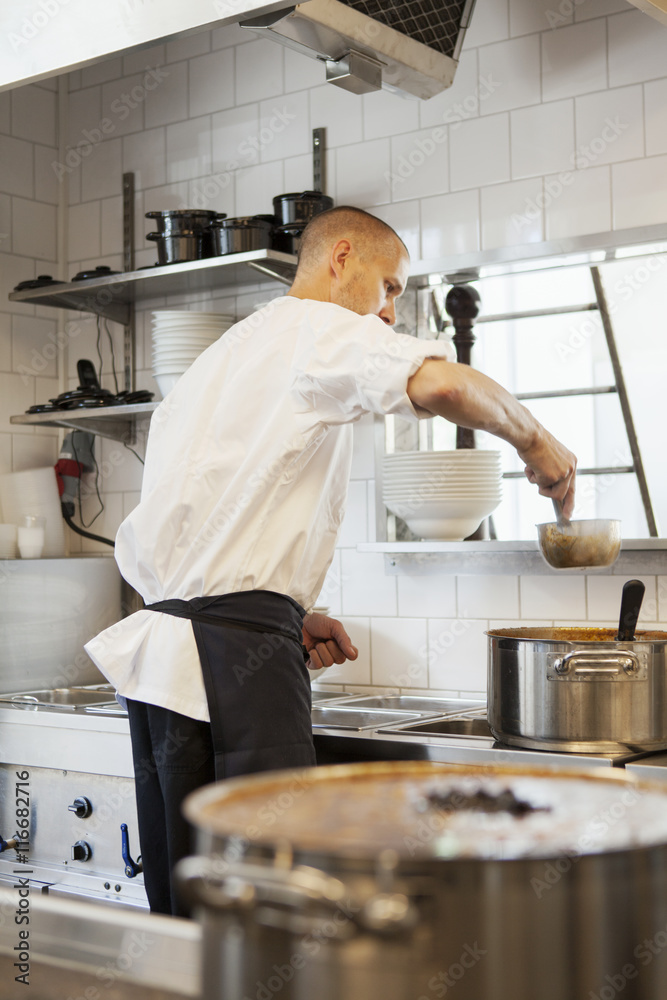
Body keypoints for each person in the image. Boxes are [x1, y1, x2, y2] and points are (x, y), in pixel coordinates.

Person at [85, 206, 576, 916]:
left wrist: (285, 611)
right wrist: (539, 446)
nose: (388, 310)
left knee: (192, 905)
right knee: (268, 904)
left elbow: (198, 534)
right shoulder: (318, 329)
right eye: (387, 286)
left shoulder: (219, 359)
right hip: (230, 666)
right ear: (340, 258)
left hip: (169, 663)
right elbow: (444, 386)